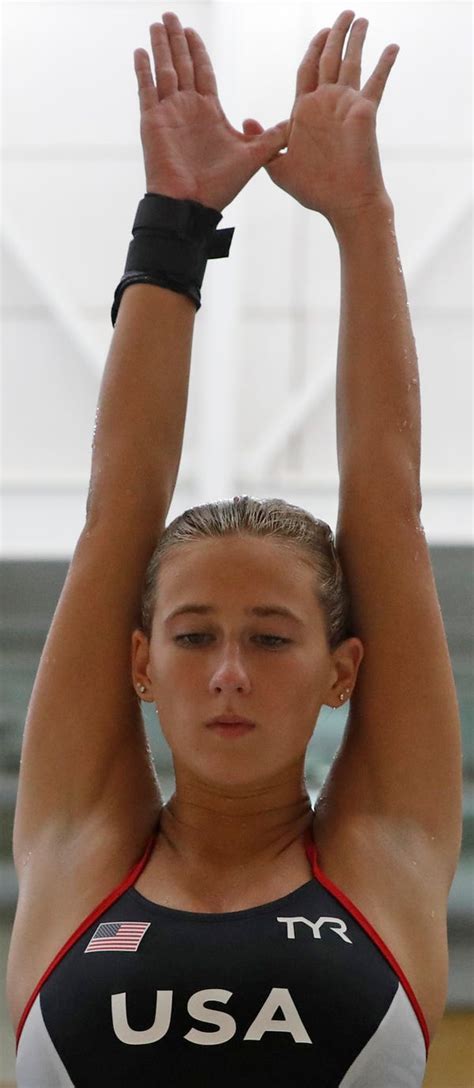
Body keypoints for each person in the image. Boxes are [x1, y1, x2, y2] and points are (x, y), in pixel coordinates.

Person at [7, 9, 462, 1086]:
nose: (226, 670)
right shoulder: (78, 851)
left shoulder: (380, 855)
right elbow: (119, 506)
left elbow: (385, 501)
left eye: (270, 636)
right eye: (195, 632)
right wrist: (174, 215)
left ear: (343, 667)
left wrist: (363, 216)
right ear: (140, 662)